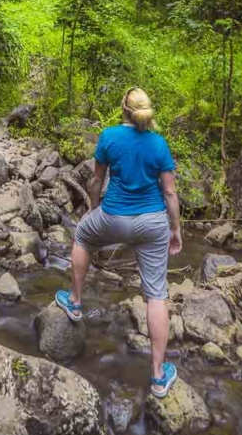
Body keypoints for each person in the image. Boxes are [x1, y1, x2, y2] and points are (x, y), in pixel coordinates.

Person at [55, 87, 183, 399]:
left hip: (113, 215)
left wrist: (93, 208)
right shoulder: (158, 143)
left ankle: (74, 302)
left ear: (123, 110)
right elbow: (169, 192)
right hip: (152, 224)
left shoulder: (109, 136)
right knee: (156, 295)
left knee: (83, 236)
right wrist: (175, 229)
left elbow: (97, 180)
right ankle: (157, 376)